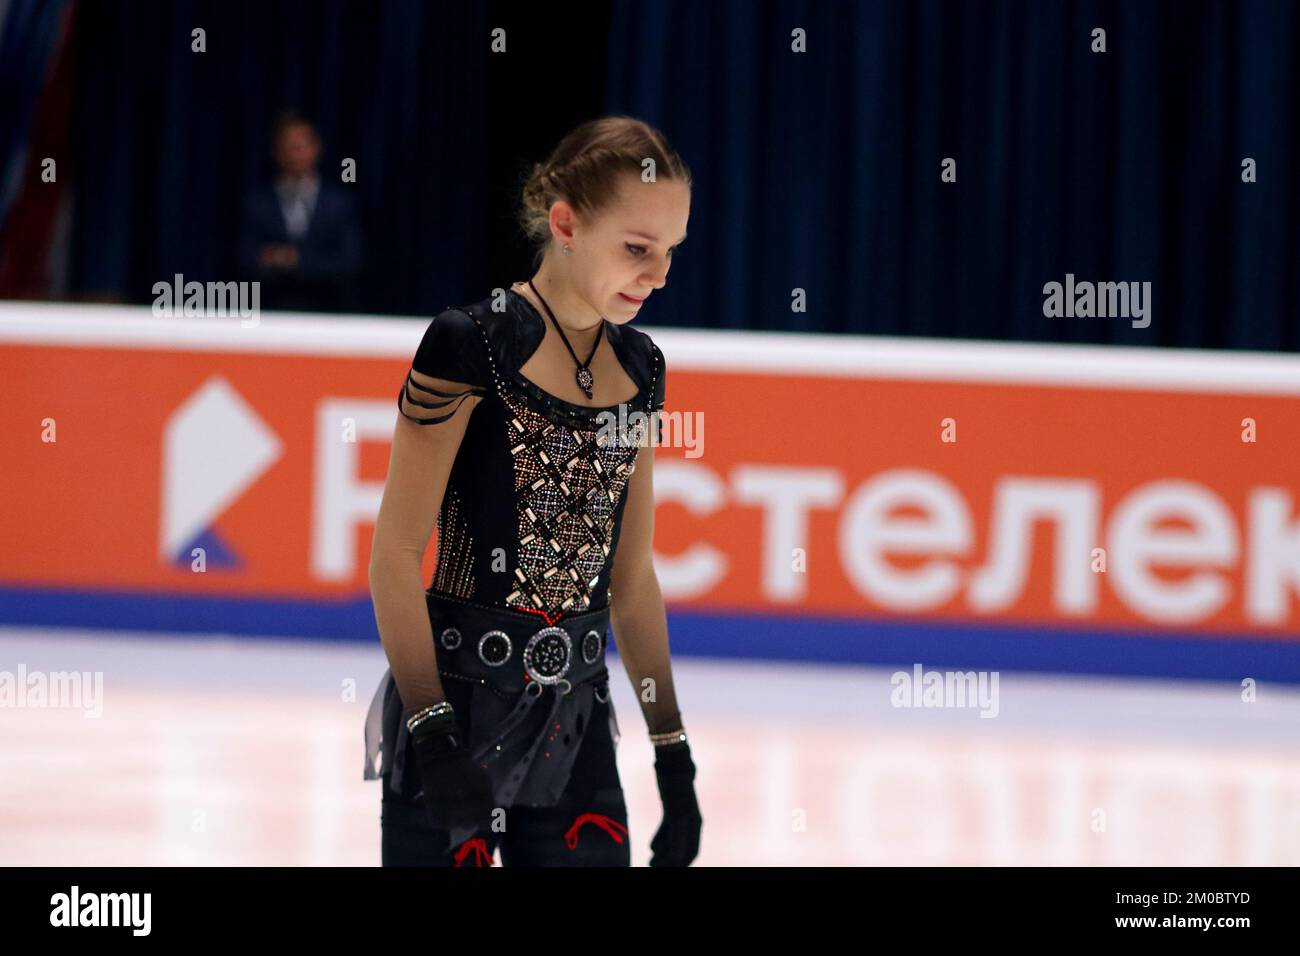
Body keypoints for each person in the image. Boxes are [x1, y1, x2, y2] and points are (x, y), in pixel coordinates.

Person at [363, 116, 701, 866]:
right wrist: (431, 730)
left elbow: (633, 581)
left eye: (671, 252)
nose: (659, 276)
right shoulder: (471, 343)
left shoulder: (641, 370)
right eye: (639, 249)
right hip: (456, 712)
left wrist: (672, 756)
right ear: (566, 223)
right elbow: (394, 555)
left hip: (577, 730)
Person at [238, 112, 360, 311]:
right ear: (276, 153)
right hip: (270, 313)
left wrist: (296, 260)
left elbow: (348, 262)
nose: (294, 155)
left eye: (300, 147)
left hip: (328, 314)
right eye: (287, 148)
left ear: (316, 148)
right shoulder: (257, 204)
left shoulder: (339, 204)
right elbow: (246, 260)